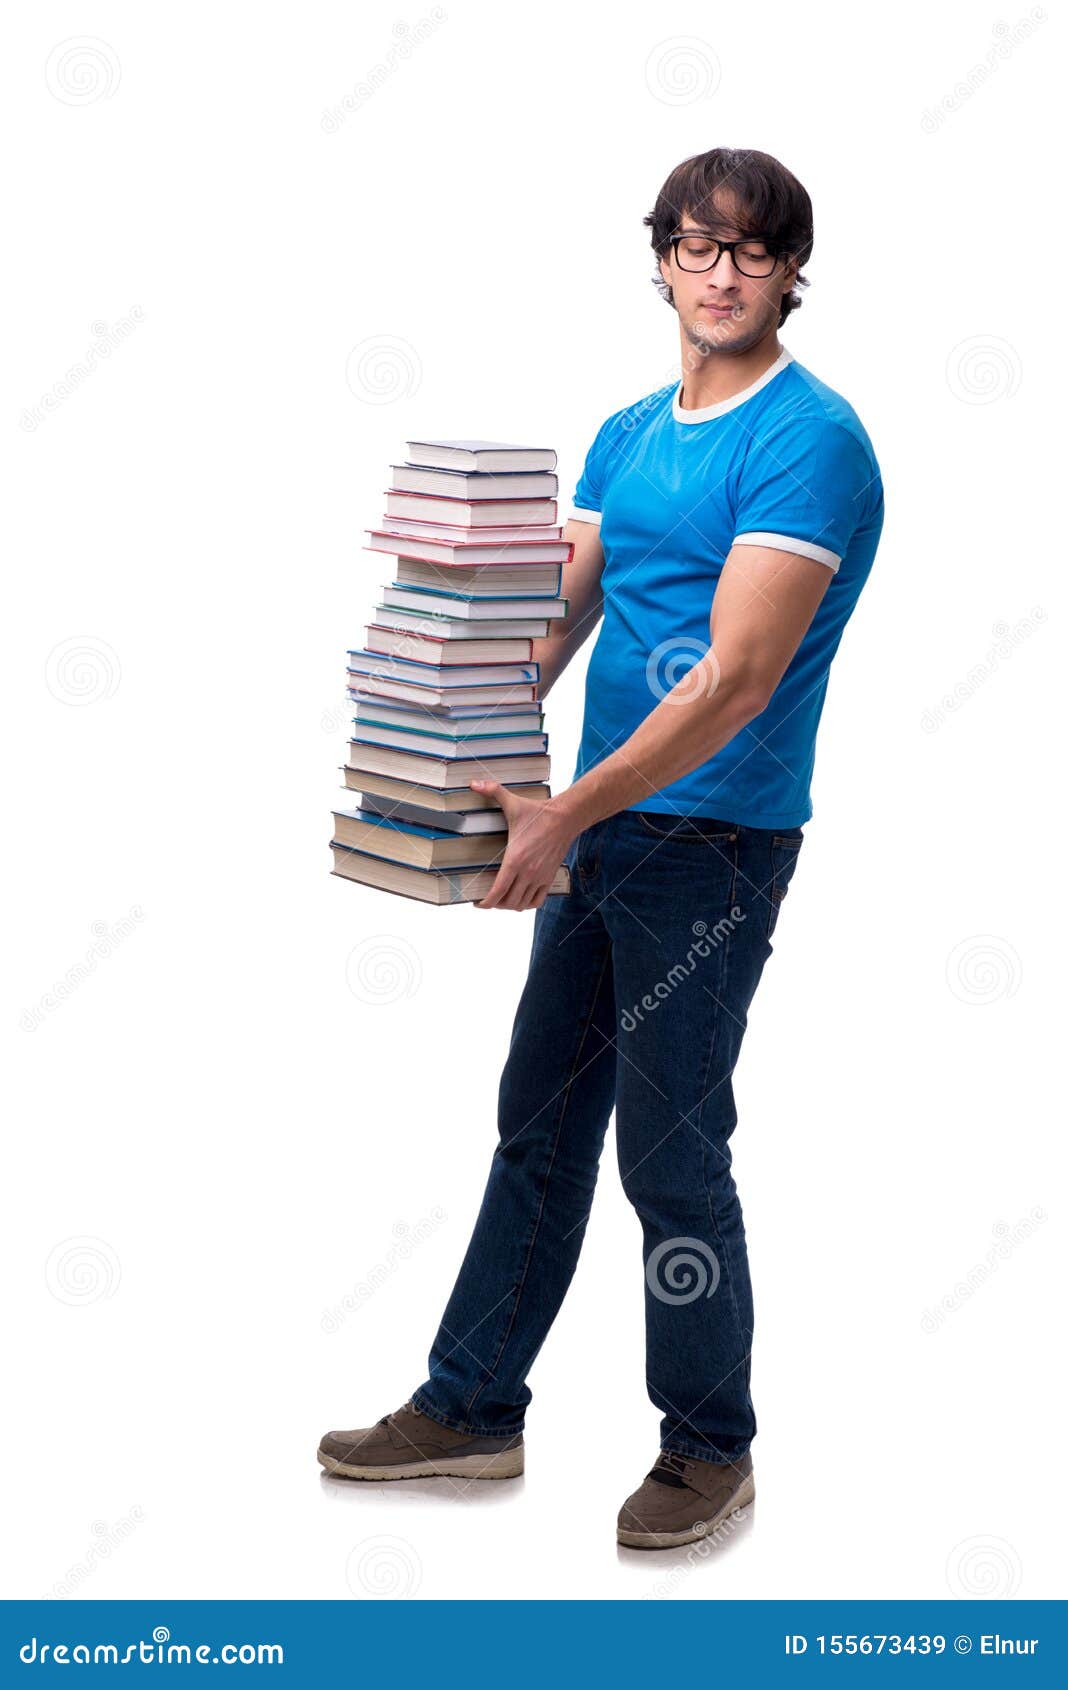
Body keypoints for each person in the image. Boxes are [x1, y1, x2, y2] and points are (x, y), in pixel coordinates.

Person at [318, 146, 885, 1551]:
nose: (720, 273)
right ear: (662, 261)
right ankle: (471, 1405)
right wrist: (446, 725)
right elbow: (564, 614)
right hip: (598, 821)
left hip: (716, 840)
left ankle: (709, 1444)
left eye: (750, 251)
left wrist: (566, 808)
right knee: (539, 1116)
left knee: (671, 1150)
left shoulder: (811, 438)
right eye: (695, 247)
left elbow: (736, 676)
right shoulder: (632, 430)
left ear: (791, 271)